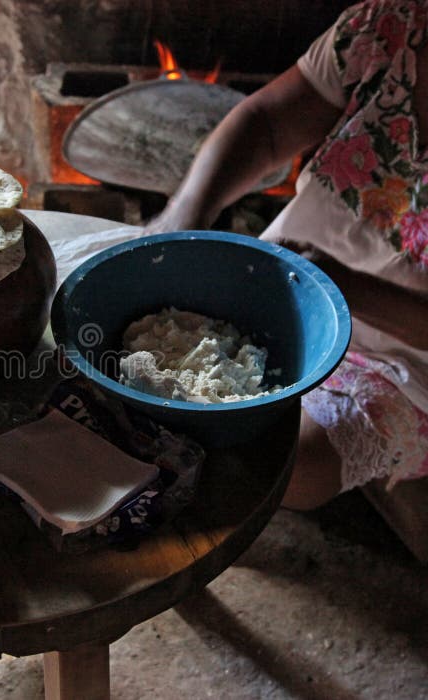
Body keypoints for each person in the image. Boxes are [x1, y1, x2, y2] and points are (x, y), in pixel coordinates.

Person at [145, 0, 428, 510]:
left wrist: (342, 285)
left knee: (284, 462)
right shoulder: (387, 28)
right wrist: (182, 213)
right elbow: (266, 123)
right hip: (285, 277)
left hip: (399, 358)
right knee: (143, 367)